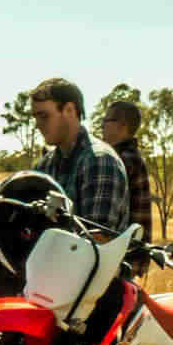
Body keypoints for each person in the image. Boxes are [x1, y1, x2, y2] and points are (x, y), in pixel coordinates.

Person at [30, 78, 129, 234]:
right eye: (35, 117)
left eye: (44, 116)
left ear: (69, 110)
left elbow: (95, 243)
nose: (38, 124)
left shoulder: (99, 161)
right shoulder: (43, 166)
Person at [98, 99, 154, 274]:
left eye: (106, 121)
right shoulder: (128, 157)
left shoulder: (121, 160)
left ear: (121, 125)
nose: (102, 126)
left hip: (124, 259)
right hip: (129, 256)